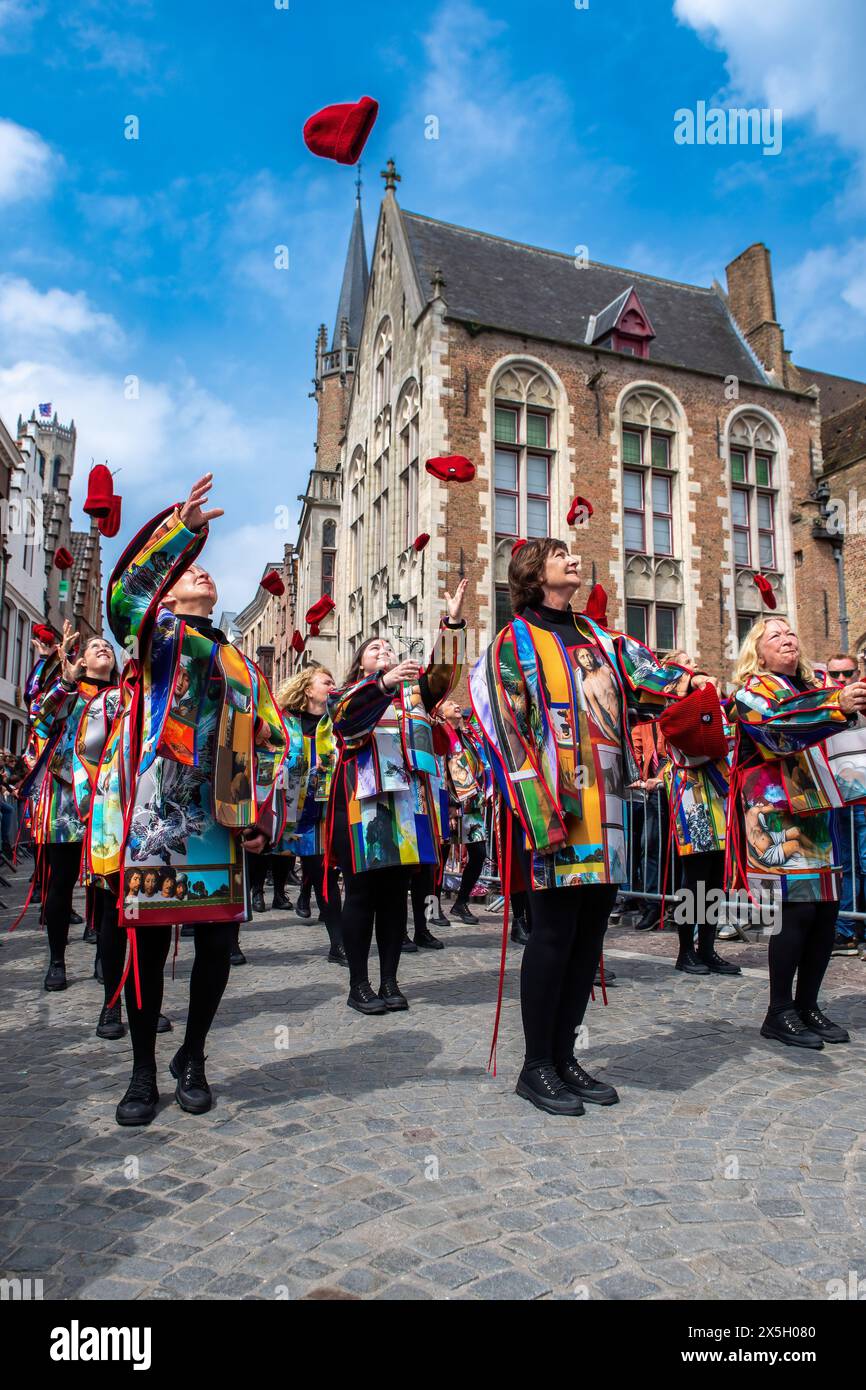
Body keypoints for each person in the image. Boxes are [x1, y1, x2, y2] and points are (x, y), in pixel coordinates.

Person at [470, 538, 717, 1116]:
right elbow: (504, 730)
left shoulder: (602, 638)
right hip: (556, 806)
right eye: (560, 555)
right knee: (554, 934)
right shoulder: (512, 643)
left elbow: (652, 677)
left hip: (608, 803)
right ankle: (536, 1066)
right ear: (534, 574)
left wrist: (691, 687)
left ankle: (565, 1055)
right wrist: (537, 811)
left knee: (589, 936)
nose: (573, 559)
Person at [88, 473, 286, 1125]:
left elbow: (272, 742)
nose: (202, 577)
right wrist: (184, 529)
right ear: (168, 592)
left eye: (205, 573)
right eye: (188, 574)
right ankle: (143, 1070)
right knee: (147, 944)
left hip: (221, 820)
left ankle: (193, 1056)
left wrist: (260, 813)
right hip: (159, 819)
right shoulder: (157, 637)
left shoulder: (242, 665)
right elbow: (124, 597)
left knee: (212, 947)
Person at [328, 580, 467, 1014]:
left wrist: (453, 624)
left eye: (388, 649)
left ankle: (390, 980)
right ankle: (358, 984)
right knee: (362, 895)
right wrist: (384, 681)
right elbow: (347, 722)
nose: (384, 652)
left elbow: (443, 676)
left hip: (408, 803)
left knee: (395, 897)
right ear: (359, 664)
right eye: (374, 650)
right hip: (364, 805)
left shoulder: (414, 696)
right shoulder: (346, 694)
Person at [729, 618, 866, 1049]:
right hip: (775, 814)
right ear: (758, 651)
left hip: (816, 810)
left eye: (792, 633)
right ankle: (779, 1010)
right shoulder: (751, 691)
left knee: (825, 912)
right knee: (794, 914)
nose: (788, 639)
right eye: (775, 635)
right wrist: (835, 706)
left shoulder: (811, 688)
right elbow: (779, 733)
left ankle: (809, 1005)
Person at [22, 621, 118, 993]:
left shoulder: (126, 695)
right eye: (94, 646)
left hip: (108, 800)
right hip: (64, 798)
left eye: (107, 646)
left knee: (105, 883)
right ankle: (57, 958)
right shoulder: (68, 691)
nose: (102, 649)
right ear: (81, 659)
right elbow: (39, 720)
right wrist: (64, 680)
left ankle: (102, 954)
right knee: (60, 881)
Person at [270, 664, 345, 965]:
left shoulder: (335, 724)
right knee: (251, 867)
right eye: (326, 681)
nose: (332, 686)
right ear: (307, 688)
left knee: (324, 877)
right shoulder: (281, 720)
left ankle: (337, 944)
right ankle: (232, 942)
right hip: (279, 810)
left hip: (319, 813)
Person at [825, 654, 866, 957]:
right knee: (846, 866)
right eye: (835, 674)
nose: (841, 680)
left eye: (847, 673)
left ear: (857, 672)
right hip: (837, 798)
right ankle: (847, 931)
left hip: (864, 799)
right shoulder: (826, 705)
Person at [435, 700, 489, 925]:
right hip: (448, 806)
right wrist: (448, 806)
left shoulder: (467, 738)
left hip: (470, 805)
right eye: (449, 703)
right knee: (440, 859)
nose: (456, 705)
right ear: (440, 712)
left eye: (457, 703)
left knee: (478, 853)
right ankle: (432, 907)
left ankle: (461, 902)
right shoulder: (440, 735)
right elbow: (439, 771)